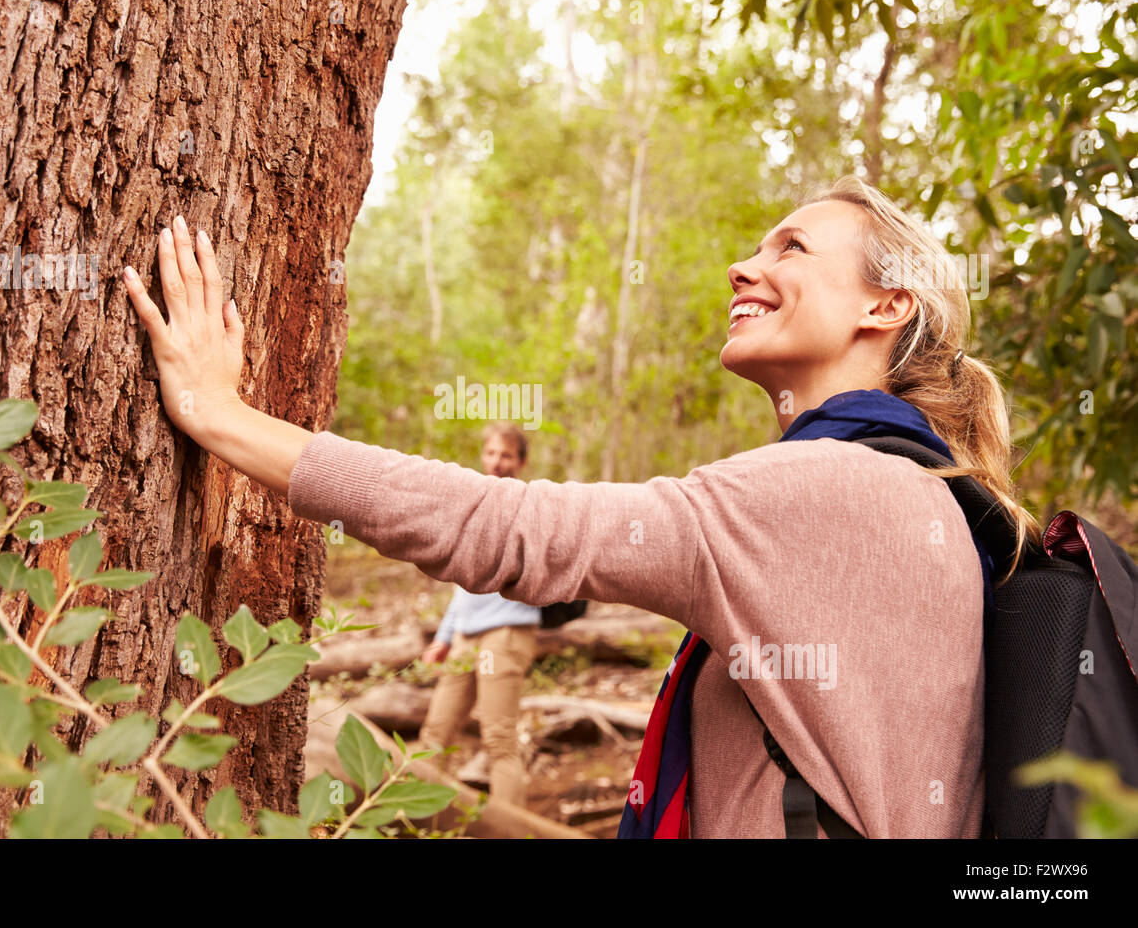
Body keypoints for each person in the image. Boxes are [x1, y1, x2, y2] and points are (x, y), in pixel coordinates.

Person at [122, 175, 1041, 837]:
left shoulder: (827, 486)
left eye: (790, 248)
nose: (741, 266)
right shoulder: (933, 494)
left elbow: (506, 530)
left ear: (885, 307)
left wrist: (223, 417)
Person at [416, 421, 540, 807]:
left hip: (506, 631)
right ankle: (419, 820)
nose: (497, 462)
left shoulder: (531, 504)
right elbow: (463, 582)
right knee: (434, 733)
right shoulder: (476, 499)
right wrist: (443, 637)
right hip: (466, 635)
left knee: (498, 740)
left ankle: (511, 832)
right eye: (491, 453)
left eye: (506, 455)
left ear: (521, 460)